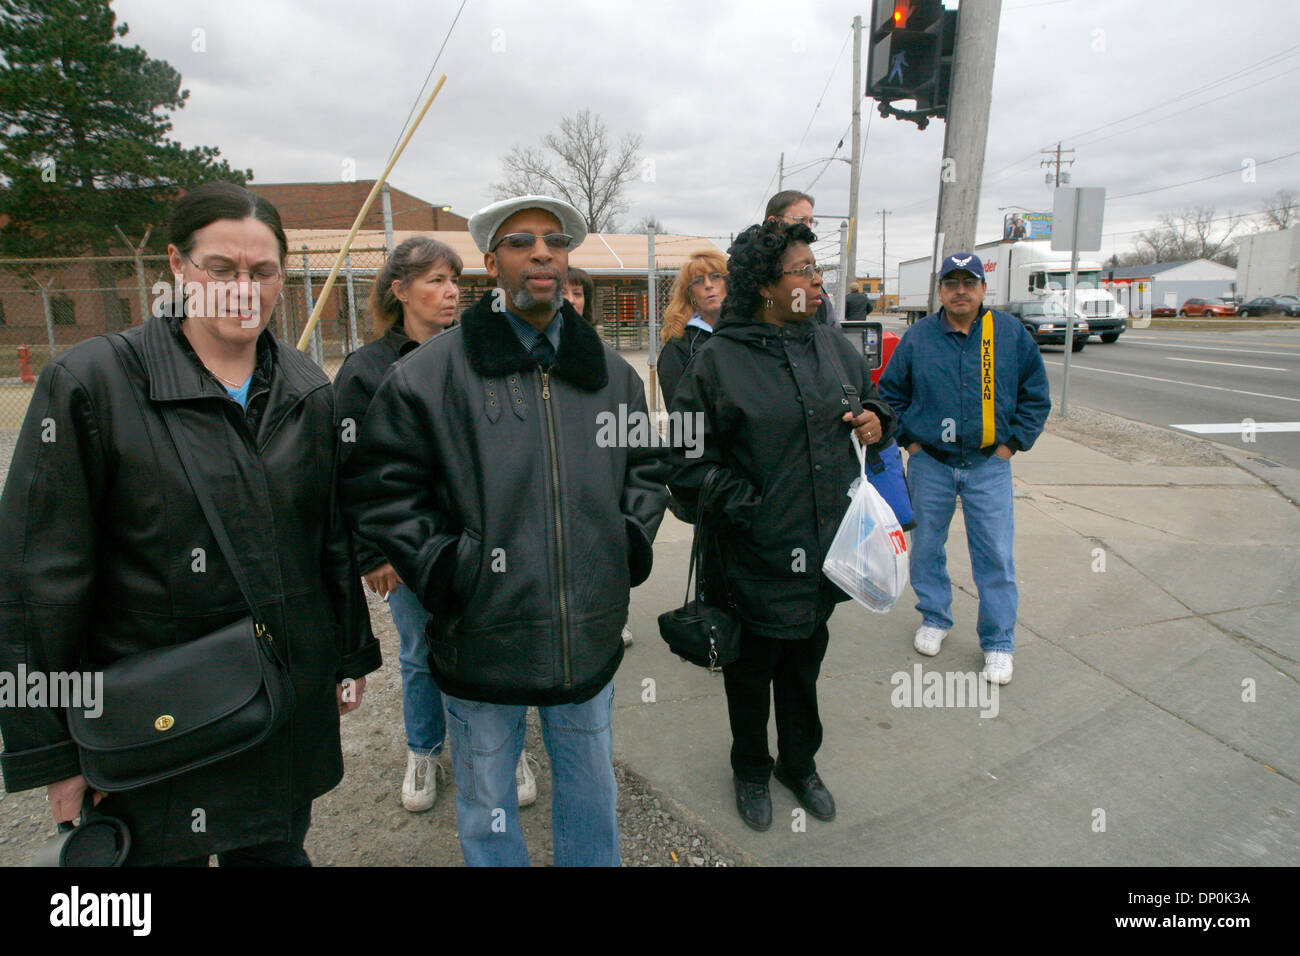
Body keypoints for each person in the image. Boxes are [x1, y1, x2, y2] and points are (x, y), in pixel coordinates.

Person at [0, 181, 380, 866]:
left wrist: (347, 657)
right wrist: (52, 753)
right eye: (222, 268)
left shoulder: (306, 391)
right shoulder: (93, 385)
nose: (244, 288)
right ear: (177, 267)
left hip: (277, 716)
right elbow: (37, 579)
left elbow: (326, 539)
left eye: (262, 272)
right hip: (152, 725)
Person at [341, 194, 670, 866]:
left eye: (555, 241)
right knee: (489, 804)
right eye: (522, 241)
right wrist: (448, 570)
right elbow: (385, 489)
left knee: (589, 790)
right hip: (481, 634)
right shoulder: (428, 375)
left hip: (586, 632)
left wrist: (622, 546)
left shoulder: (611, 376)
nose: (542, 252)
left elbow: (646, 470)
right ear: (491, 263)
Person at [669, 220, 897, 832]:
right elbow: (683, 463)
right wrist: (750, 507)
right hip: (749, 561)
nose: (818, 282)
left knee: (803, 666)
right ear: (766, 286)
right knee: (750, 673)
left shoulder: (835, 348)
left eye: (817, 272)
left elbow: (870, 406)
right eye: (804, 272)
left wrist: (875, 420)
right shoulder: (718, 360)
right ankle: (750, 769)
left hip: (823, 555)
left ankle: (800, 763)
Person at [876, 253, 1050, 686]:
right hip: (931, 464)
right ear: (940, 291)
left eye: (968, 282)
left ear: (983, 290)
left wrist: (1011, 446)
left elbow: (1036, 396)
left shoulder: (1008, 334)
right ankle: (935, 617)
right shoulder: (918, 338)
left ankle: (998, 643)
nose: (960, 291)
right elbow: (889, 396)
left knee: (994, 556)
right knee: (926, 548)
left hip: (990, 464)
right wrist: (910, 443)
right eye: (951, 283)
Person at [334, 237, 462, 813]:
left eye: (455, 280)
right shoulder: (365, 371)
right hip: (408, 545)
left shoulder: (476, 355)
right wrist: (373, 553)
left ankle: (501, 750)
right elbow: (351, 469)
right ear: (400, 289)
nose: (451, 291)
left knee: (485, 643)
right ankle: (424, 749)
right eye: (436, 280)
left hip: (476, 539)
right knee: (419, 650)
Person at [657, 249, 726, 408]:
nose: (708, 285)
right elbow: (683, 415)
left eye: (715, 277)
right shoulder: (678, 348)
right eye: (699, 280)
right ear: (691, 295)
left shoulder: (748, 333)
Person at [765, 189, 838, 328]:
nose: (809, 227)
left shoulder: (819, 296)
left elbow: (832, 330)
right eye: (801, 220)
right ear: (773, 221)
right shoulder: (746, 283)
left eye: (811, 221)